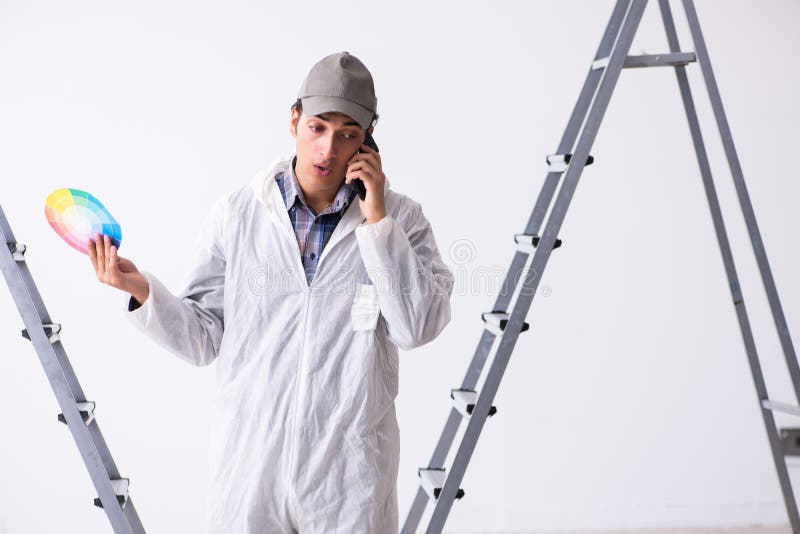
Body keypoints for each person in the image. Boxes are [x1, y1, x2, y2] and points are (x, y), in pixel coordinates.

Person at [88, 51, 455, 534]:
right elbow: (203, 339)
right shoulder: (239, 214)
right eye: (318, 128)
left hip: (348, 482)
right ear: (294, 120)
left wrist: (379, 223)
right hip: (251, 471)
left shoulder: (400, 220)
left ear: (369, 141)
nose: (328, 150)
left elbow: (419, 327)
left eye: (348, 135)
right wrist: (140, 290)